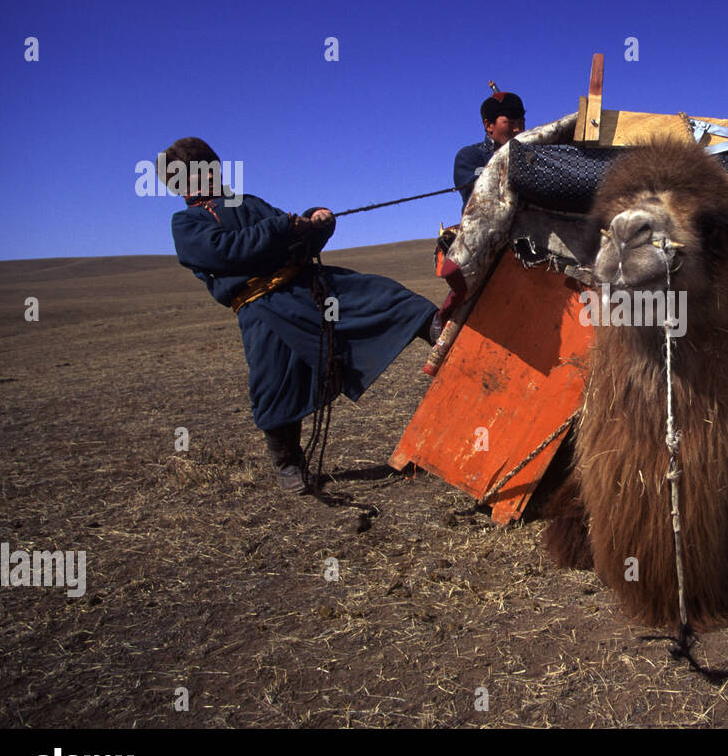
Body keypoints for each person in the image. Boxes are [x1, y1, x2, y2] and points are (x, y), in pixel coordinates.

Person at [161, 137, 441, 490]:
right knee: (273, 384)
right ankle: (288, 463)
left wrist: (315, 223)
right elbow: (227, 251)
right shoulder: (186, 224)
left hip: (307, 285)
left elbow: (296, 241)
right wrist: (281, 228)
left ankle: (446, 336)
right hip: (261, 306)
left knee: (382, 295)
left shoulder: (249, 203)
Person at [453, 85, 525, 208]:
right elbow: (476, 194)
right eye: (510, 123)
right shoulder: (469, 155)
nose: (517, 129)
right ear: (489, 125)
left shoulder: (529, 155)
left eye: (521, 123)